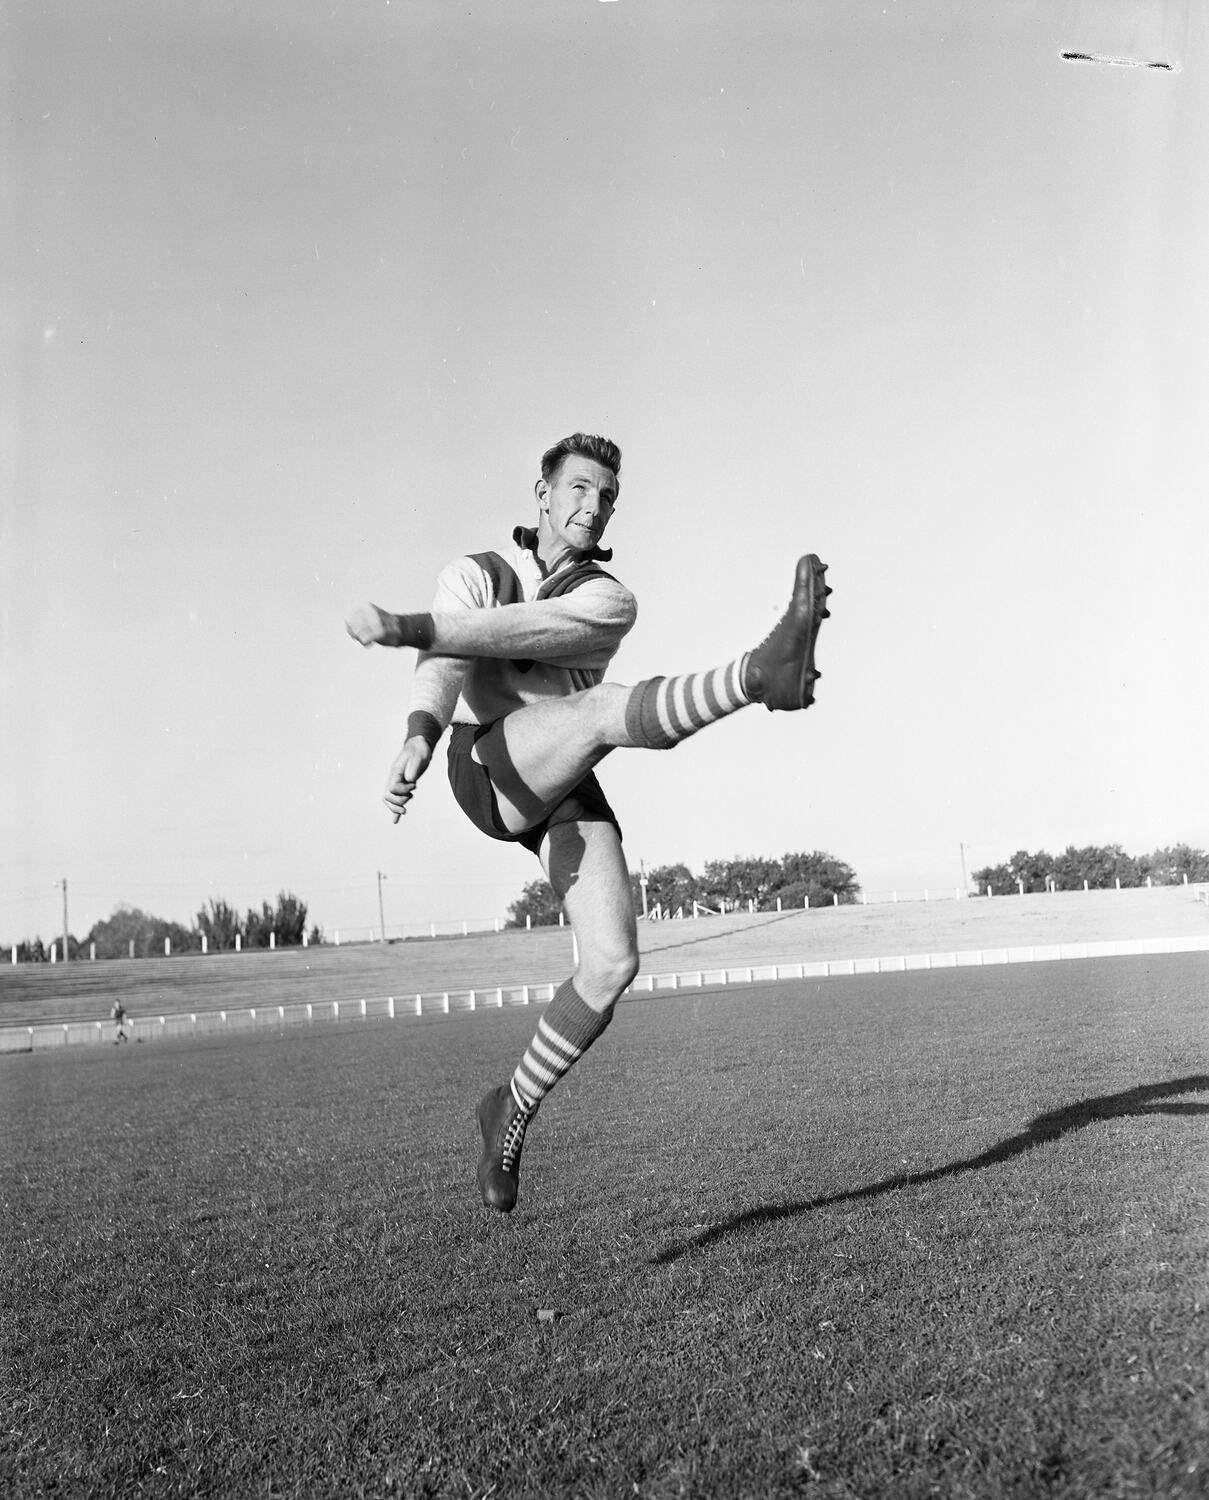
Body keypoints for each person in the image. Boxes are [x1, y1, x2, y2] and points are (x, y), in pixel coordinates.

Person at [346, 433, 830, 1213]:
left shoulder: (608, 600)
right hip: (487, 768)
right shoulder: (471, 574)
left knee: (610, 963)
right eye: (576, 488)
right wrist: (417, 732)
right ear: (541, 494)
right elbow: (451, 662)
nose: (590, 505)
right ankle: (755, 676)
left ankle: (507, 1111)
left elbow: (505, 636)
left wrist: (411, 625)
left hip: (560, 771)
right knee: (601, 711)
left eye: (604, 496)